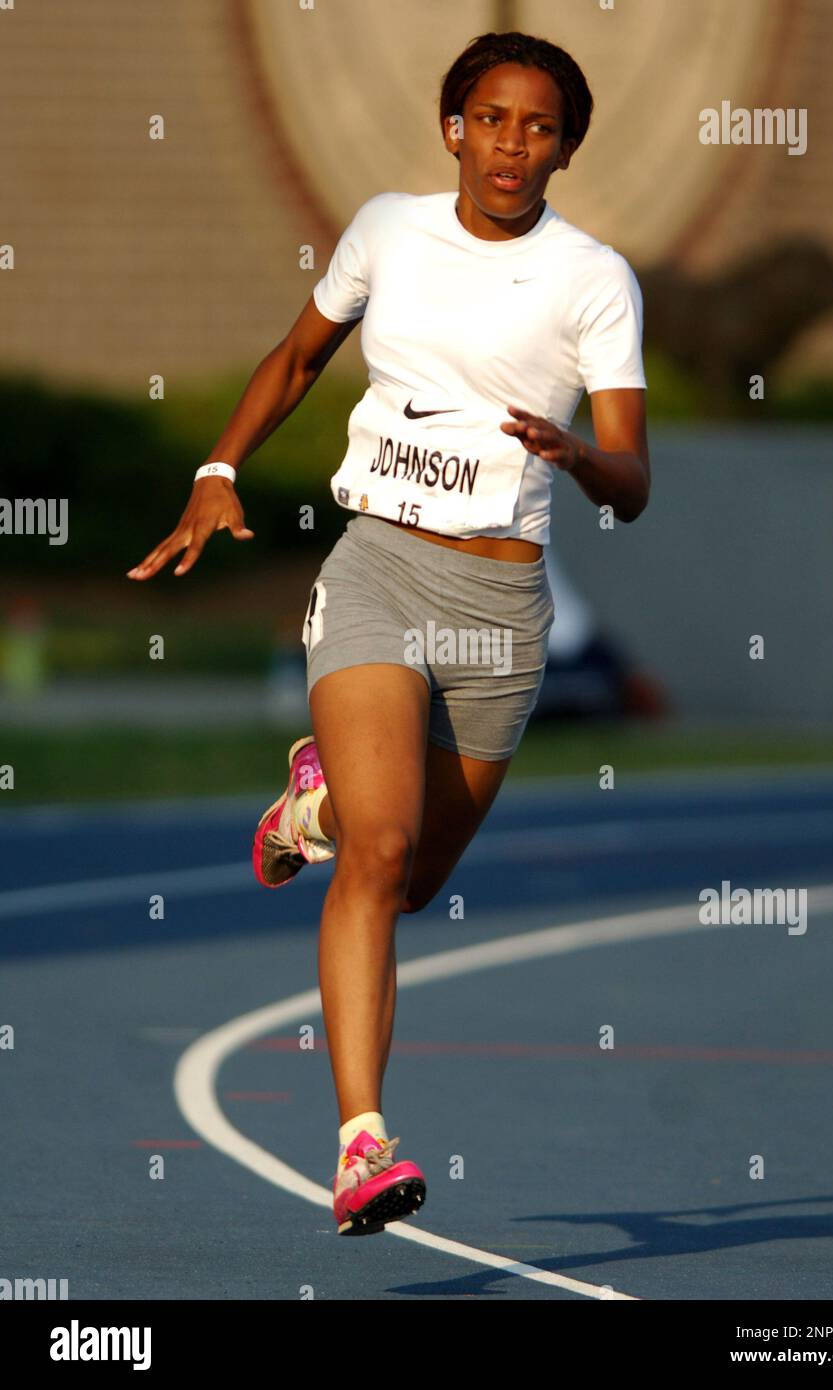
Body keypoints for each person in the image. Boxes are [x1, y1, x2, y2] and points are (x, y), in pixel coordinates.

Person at [127, 30, 650, 1238]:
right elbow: (301, 353)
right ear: (452, 126)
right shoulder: (385, 231)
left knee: (407, 877)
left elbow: (634, 479)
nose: (513, 144)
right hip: (378, 565)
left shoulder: (595, 280)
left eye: (540, 126)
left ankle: (306, 809)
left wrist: (582, 461)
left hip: (501, 606)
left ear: (566, 146)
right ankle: (363, 1143)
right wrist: (217, 469)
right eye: (493, 118)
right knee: (382, 846)